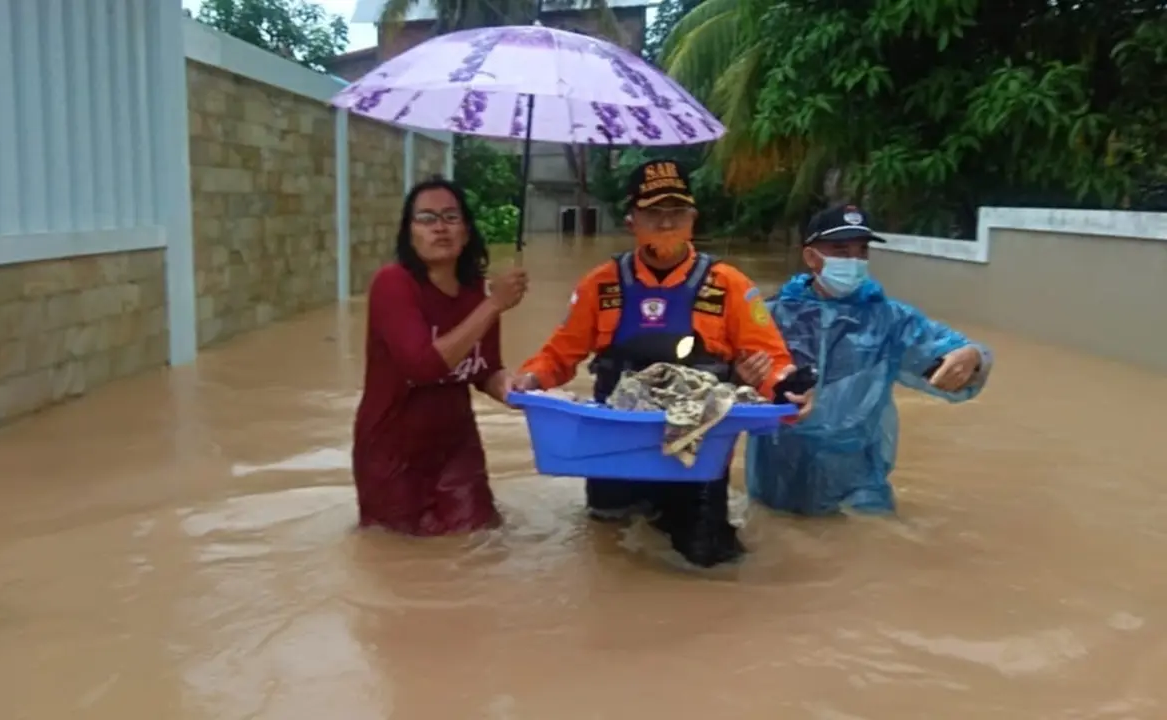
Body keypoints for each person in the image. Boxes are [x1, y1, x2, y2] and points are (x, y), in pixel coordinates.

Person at [511, 159, 813, 567]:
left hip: (698, 455)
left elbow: (771, 362)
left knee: (709, 565)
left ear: (693, 219)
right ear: (632, 220)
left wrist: (787, 387)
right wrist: (530, 379)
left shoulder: (730, 286)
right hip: (614, 454)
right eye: (654, 213)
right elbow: (559, 356)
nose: (666, 224)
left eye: (676, 213)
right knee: (608, 560)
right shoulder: (599, 285)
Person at [737, 203, 993, 516]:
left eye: (861, 251)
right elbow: (721, 380)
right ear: (810, 257)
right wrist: (741, 377)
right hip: (776, 479)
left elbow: (951, 356)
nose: (854, 261)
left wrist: (972, 357)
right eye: (840, 250)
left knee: (871, 548)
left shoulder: (891, 320)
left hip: (858, 487)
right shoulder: (770, 316)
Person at [352, 178, 529, 536]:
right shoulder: (393, 284)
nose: (440, 228)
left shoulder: (478, 291)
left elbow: (484, 369)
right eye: (427, 218)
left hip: (456, 447)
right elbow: (422, 366)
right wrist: (494, 305)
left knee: (481, 542)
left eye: (451, 217)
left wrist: (515, 390)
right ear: (410, 233)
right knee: (401, 565)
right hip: (393, 452)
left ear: (466, 231)